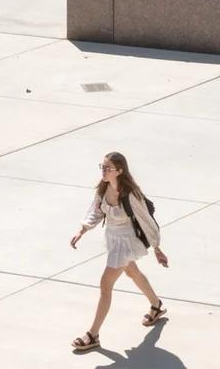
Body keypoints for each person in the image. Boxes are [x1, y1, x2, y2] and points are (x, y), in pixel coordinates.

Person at [69, 151, 169, 354]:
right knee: (132, 273)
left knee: (105, 285)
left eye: (108, 168)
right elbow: (96, 210)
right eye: (102, 166)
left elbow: (147, 221)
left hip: (125, 242)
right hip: (113, 238)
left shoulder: (130, 195)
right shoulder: (103, 187)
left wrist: (157, 248)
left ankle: (93, 335)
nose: (103, 171)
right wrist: (82, 230)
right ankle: (156, 305)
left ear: (120, 171)